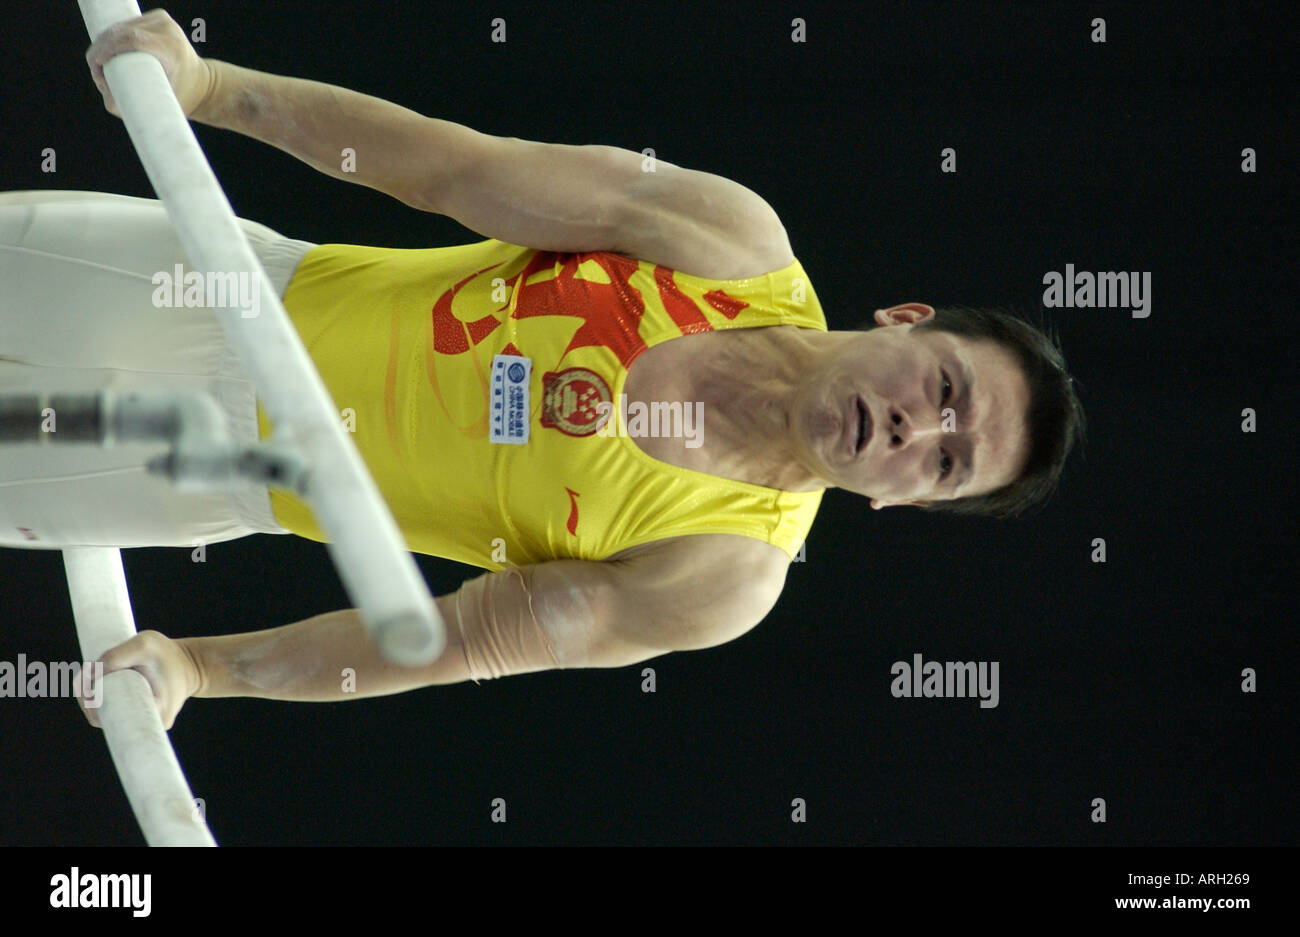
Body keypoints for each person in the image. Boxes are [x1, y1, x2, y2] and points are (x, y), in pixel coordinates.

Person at [16, 11, 1081, 727]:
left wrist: (205, 667)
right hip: (202, 287)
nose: (914, 431)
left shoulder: (722, 576)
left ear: (899, 503)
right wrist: (212, 88)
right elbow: (445, 168)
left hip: (199, 471)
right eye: (944, 392)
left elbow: (449, 640)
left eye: (944, 464)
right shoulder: (727, 245)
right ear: (905, 319)